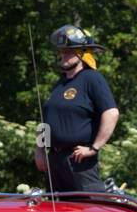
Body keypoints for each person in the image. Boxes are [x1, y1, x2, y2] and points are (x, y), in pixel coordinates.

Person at [36, 24, 119, 197]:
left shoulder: (92, 78)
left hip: (79, 160)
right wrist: (39, 150)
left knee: (89, 211)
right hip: (55, 161)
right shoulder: (60, 84)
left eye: (69, 51)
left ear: (83, 54)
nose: (63, 55)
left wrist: (94, 148)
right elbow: (46, 119)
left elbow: (111, 113)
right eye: (62, 51)